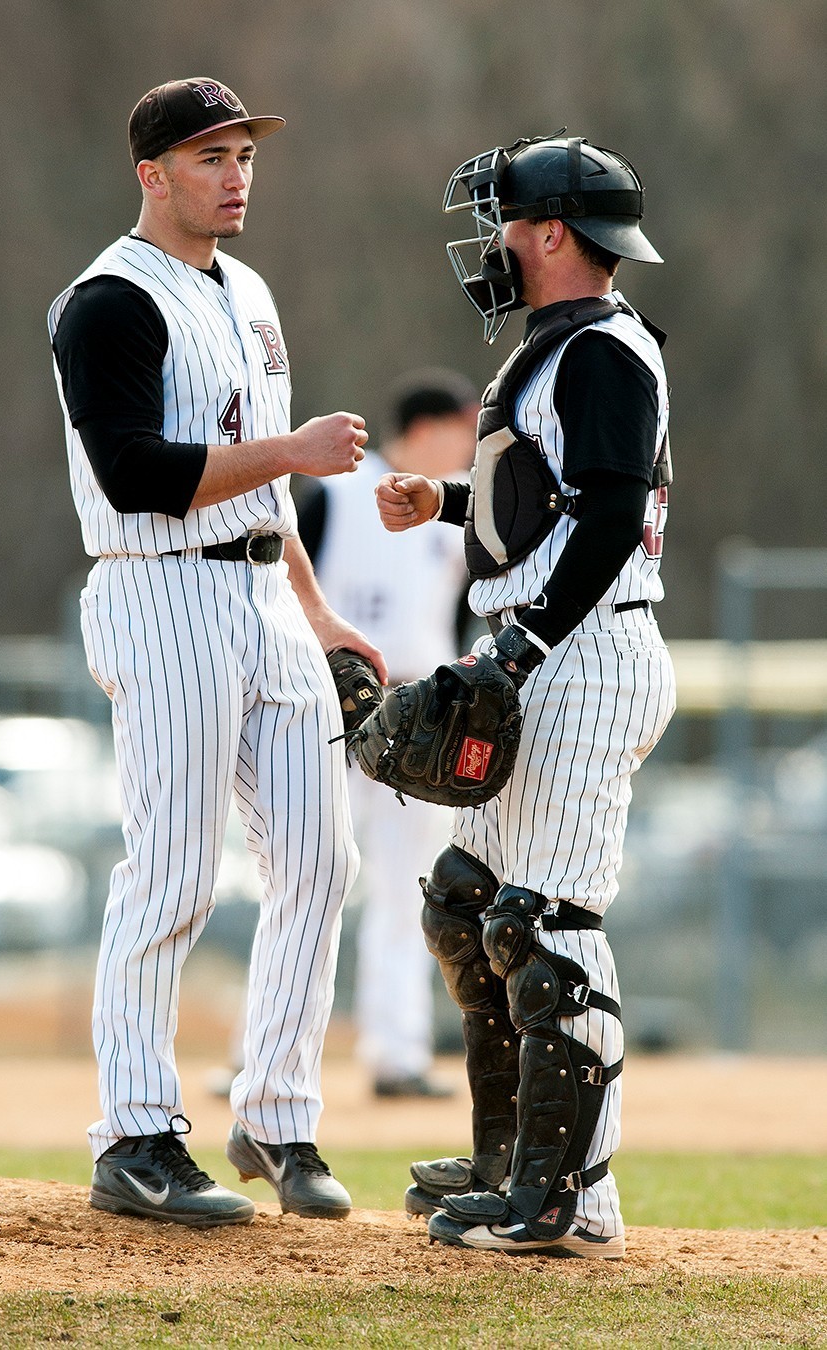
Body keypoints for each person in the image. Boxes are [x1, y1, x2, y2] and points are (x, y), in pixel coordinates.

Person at [48, 76, 387, 1228]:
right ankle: (134, 1135)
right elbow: (135, 476)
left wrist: (319, 614)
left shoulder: (249, 292)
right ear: (152, 174)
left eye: (245, 155)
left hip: (264, 596)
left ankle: (276, 1116)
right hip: (162, 593)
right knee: (174, 872)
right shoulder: (108, 301)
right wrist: (292, 450)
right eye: (211, 157)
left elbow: (267, 495)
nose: (237, 176)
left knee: (321, 861)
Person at [376, 133, 676, 1258]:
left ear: (553, 232)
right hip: (550, 648)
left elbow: (610, 517)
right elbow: (545, 498)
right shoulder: (561, 345)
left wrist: (522, 647)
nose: (494, 241)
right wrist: (448, 501)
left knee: (546, 923)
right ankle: (512, 1166)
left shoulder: (601, 348)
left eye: (505, 220)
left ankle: (572, 1199)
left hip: (582, 653)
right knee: (467, 905)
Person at [297, 370, 479, 1098]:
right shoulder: (337, 492)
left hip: (420, 713)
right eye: (463, 426)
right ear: (427, 427)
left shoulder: (459, 505)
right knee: (305, 879)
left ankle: (396, 1055)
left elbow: (461, 618)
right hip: (330, 703)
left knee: (410, 890)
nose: (470, 442)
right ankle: (264, 1056)